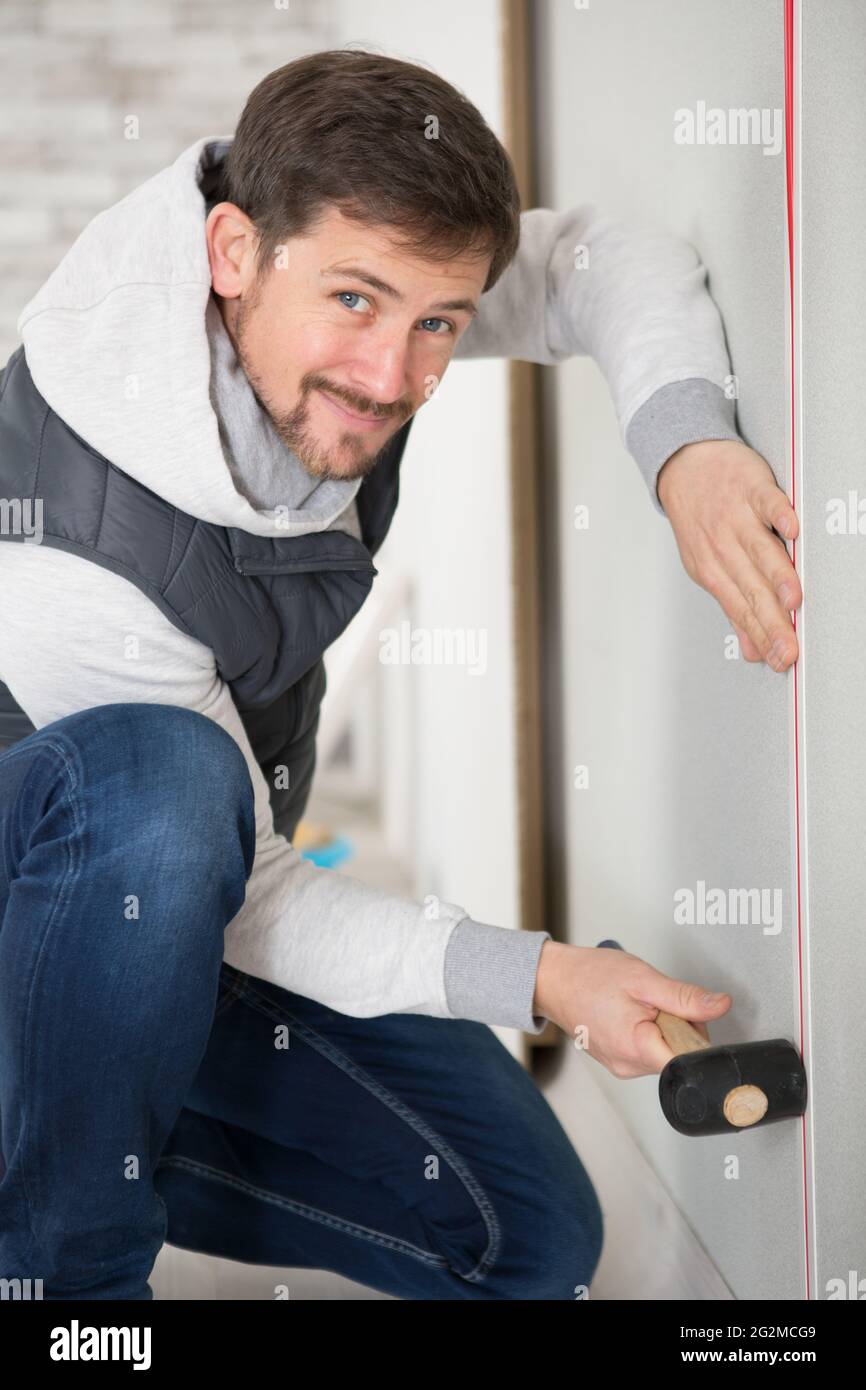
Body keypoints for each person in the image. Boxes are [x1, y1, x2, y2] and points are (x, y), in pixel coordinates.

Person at [0, 48, 801, 1301]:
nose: (391, 379)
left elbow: (601, 258)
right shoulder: (77, 521)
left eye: (439, 322)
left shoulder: (360, 299)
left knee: (525, 1234)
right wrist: (541, 972)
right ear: (230, 253)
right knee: (160, 782)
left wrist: (683, 444)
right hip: (45, 908)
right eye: (356, 303)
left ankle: (45, 1131)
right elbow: (253, 894)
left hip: (172, 930)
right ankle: (65, 1288)